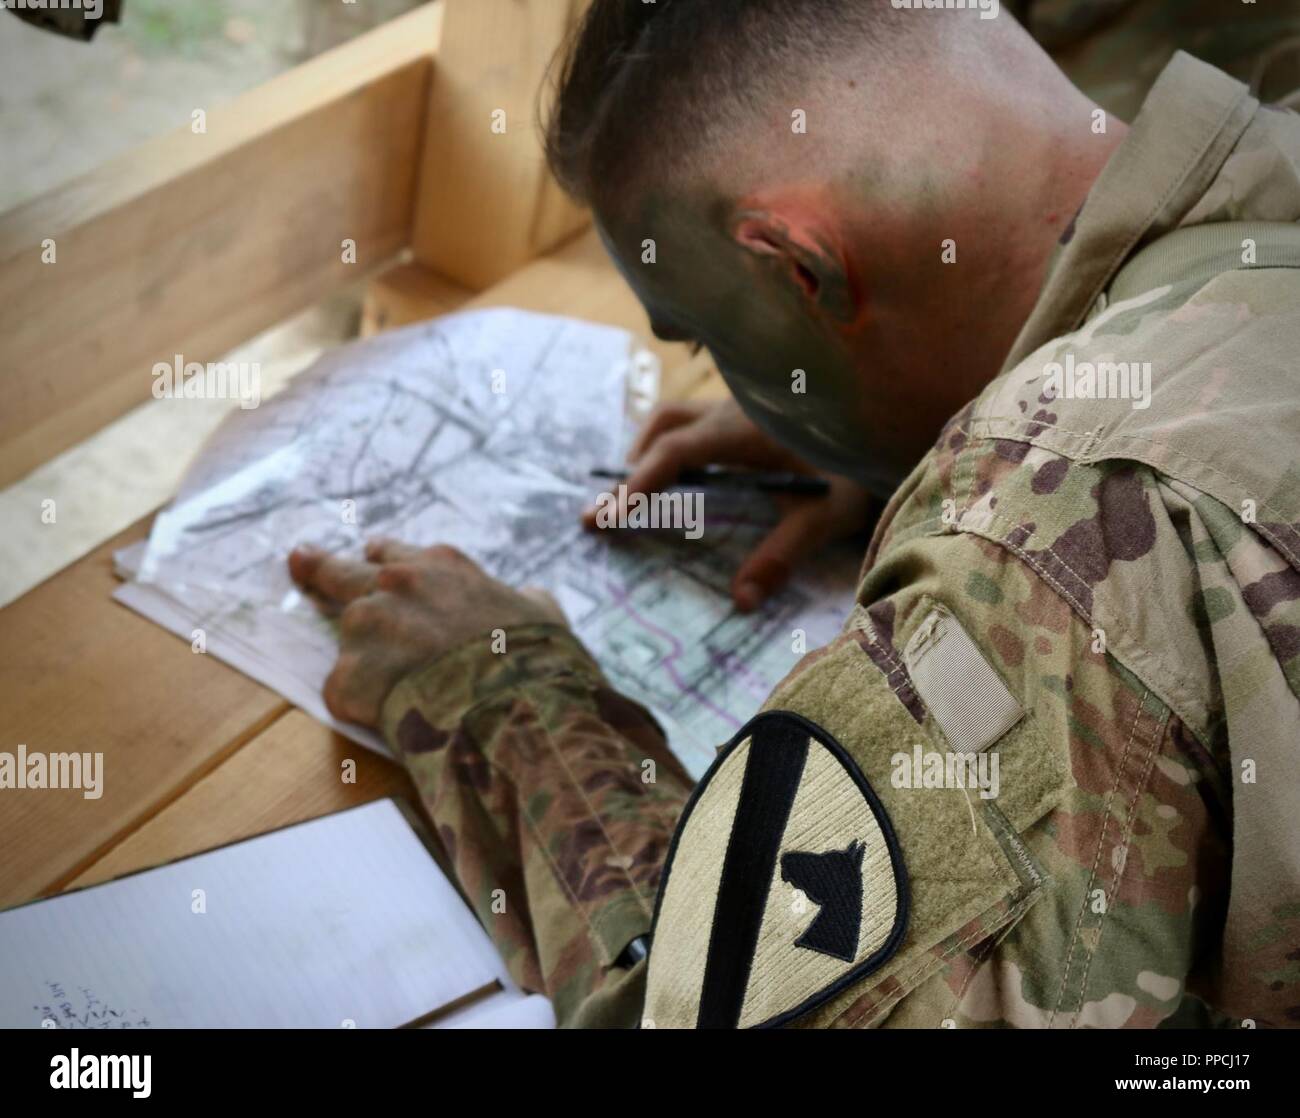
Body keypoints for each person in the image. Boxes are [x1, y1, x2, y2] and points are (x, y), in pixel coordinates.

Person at [287, 1, 1300, 1028]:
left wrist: (499, 699)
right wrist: (887, 404)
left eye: (698, 337)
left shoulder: (1050, 552)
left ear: (804, 268)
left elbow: (713, 1013)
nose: (718, 376)